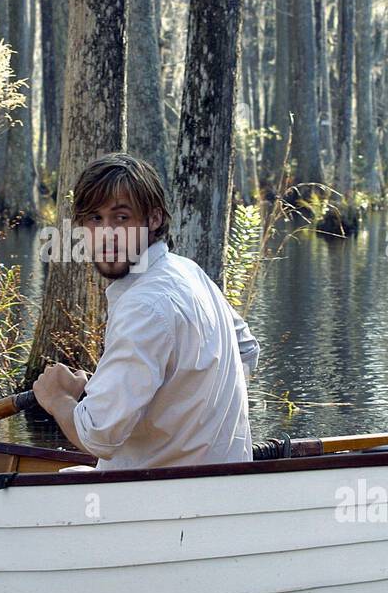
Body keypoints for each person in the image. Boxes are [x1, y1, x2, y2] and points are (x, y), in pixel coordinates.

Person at [32, 153, 259, 470]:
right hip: (221, 482)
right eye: (95, 219)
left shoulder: (144, 304)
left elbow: (97, 436)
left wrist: (57, 398)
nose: (107, 234)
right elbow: (247, 349)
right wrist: (158, 399)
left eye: (121, 218)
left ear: (153, 219)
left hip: (157, 499)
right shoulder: (187, 271)